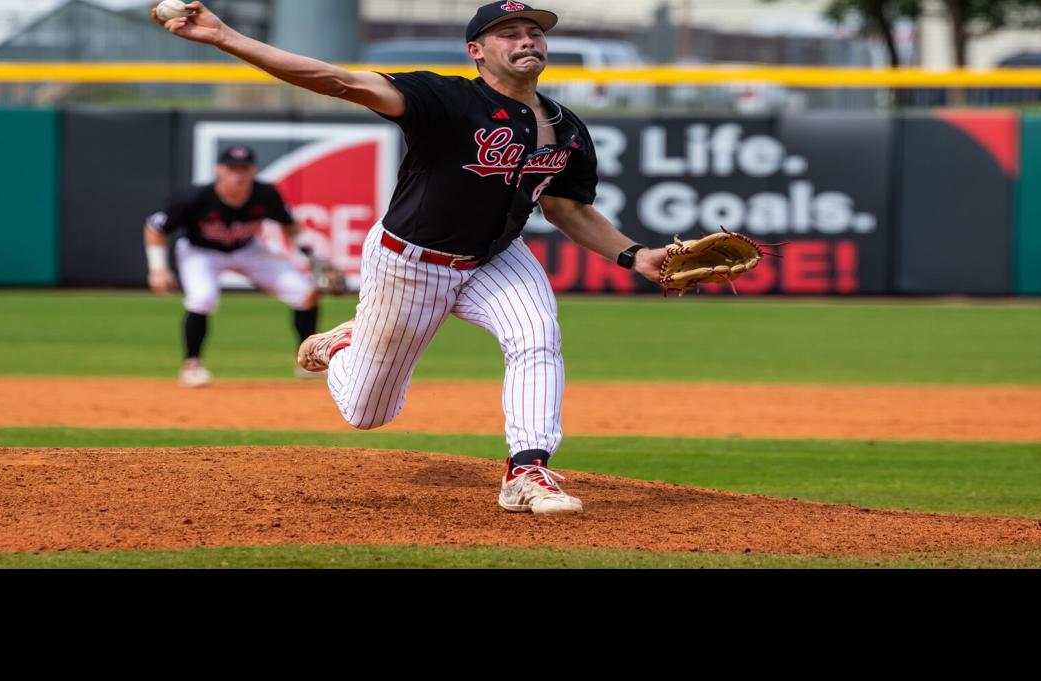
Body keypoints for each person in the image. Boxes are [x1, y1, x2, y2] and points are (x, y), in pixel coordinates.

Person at [154, 1, 667, 514]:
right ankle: (343, 345)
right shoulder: (444, 98)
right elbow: (336, 81)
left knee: (536, 335)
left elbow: (565, 208)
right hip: (411, 262)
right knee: (368, 412)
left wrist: (635, 255)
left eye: (533, 32)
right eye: (508, 33)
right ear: (477, 52)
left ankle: (526, 471)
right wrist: (225, 37)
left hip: (496, 256)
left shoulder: (567, 127)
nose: (527, 40)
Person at [145, 144, 324, 387]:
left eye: (244, 168)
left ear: (254, 170)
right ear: (219, 169)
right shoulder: (194, 197)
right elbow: (155, 228)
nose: (238, 174)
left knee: (304, 292)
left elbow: (291, 226)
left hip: (247, 249)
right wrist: (158, 268)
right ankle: (192, 366)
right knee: (202, 298)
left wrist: (312, 257)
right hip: (200, 251)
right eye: (232, 168)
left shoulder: (266, 194)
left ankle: (307, 362)